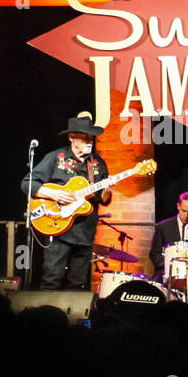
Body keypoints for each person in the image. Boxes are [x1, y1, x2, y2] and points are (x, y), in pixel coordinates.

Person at [22, 112, 112, 290]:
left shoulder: (98, 164)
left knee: (77, 284)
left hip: (85, 232)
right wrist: (52, 194)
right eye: (84, 137)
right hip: (58, 229)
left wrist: (107, 190)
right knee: (52, 279)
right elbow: (27, 183)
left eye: (91, 138)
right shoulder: (56, 158)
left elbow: (102, 199)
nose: (89, 141)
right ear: (72, 137)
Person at [150, 191, 188, 282]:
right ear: (178, 206)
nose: (186, 216)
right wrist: (173, 264)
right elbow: (154, 254)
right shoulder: (163, 226)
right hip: (168, 274)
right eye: (183, 211)